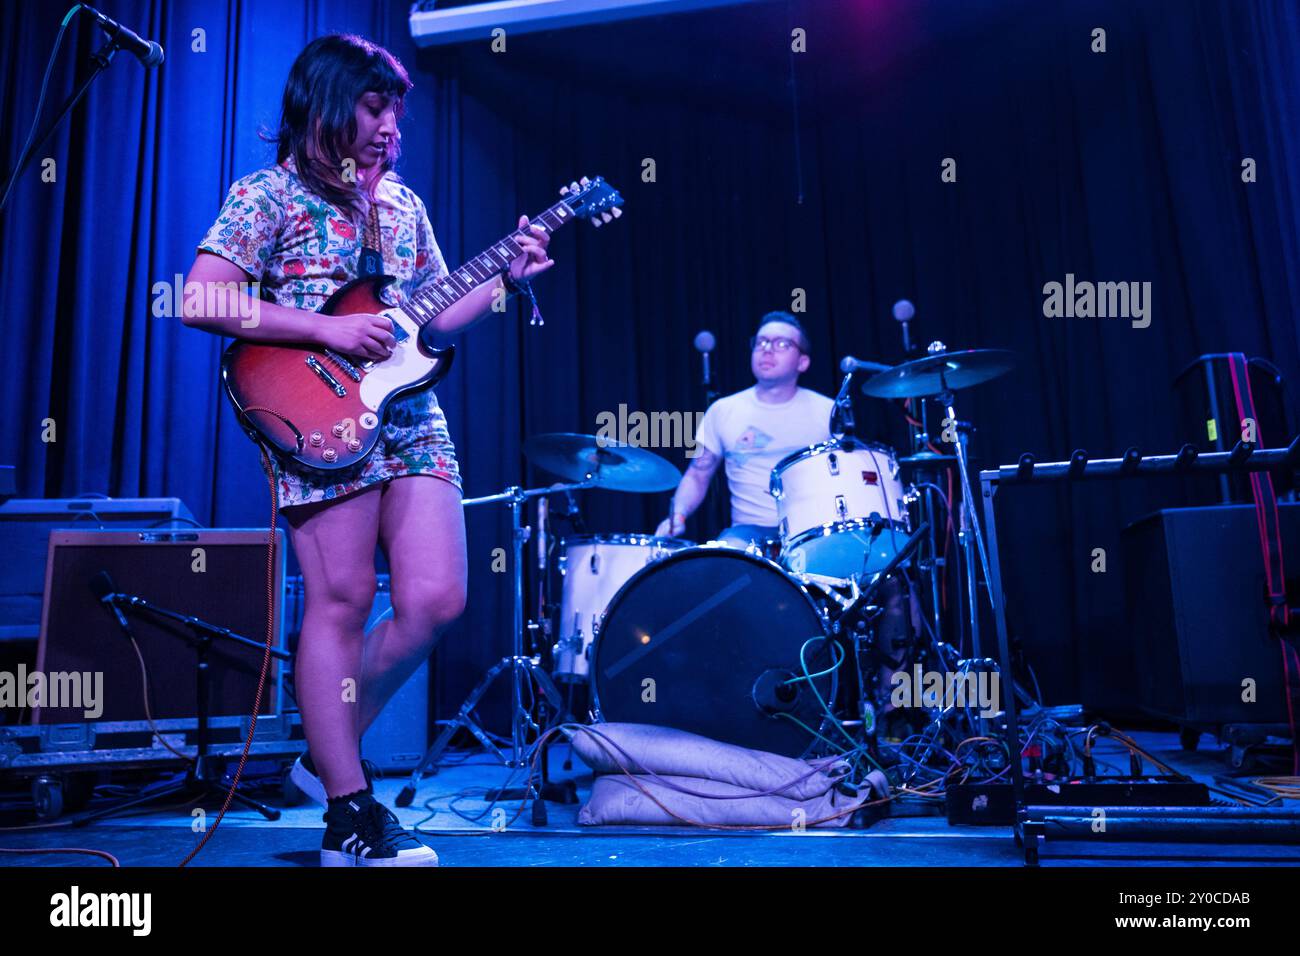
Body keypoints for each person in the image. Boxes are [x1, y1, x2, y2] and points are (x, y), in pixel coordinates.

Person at [182, 34, 553, 866]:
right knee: (342, 598)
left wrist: (509, 277)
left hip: (409, 414)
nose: (392, 125)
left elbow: (435, 312)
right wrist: (326, 326)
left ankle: (326, 747)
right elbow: (203, 295)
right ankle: (351, 810)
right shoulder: (266, 194)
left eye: (399, 110)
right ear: (327, 105)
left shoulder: (403, 208)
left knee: (438, 600)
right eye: (375, 106)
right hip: (311, 412)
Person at [656, 312, 834, 549]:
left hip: (814, 529)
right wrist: (677, 515)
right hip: (748, 534)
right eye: (761, 342)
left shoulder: (827, 410)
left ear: (803, 362)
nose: (767, 349)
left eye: (782, 343)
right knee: (722, 566)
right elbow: (698, 474)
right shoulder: (723, 410)